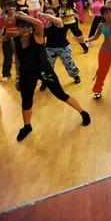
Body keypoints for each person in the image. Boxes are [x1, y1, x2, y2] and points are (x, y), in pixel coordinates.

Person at [13, 11, 90, 141]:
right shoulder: (14, 40)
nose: (25, 29)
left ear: (31, 27)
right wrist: (18, 77)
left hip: (44, 70)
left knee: (60, 94)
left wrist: (20, 15)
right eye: (22, 26)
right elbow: (17, 58)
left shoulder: (37, 35)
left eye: (27, 26)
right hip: (26, 72)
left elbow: (38, 23)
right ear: (18, 27)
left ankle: (83, 112)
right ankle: (27, 126)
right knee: (26, 102)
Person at [40, 7, 81, 89]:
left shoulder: (59, 21)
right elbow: (44, 35)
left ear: (55, 14)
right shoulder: (46, 24)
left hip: (63, 47)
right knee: (47, 66)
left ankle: (75, 76)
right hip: (50, 48)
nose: (48, 14)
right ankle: (46, 81)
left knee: (68, 63)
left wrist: (42, 14)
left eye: (51, 13)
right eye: (46, 12)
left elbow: (53, 19)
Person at [0, 1, 19, 82]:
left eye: (13, 6)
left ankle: (22, 75)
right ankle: (6, 74)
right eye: (9, 6)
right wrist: (1, 36)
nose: (11, 8)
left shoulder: (19, 16)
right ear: (6, 8)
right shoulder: (3, 18)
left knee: (20, 57)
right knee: (7, 57)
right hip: (7, 39)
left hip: (19, 39)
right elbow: (0, 28)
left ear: (16, 8)